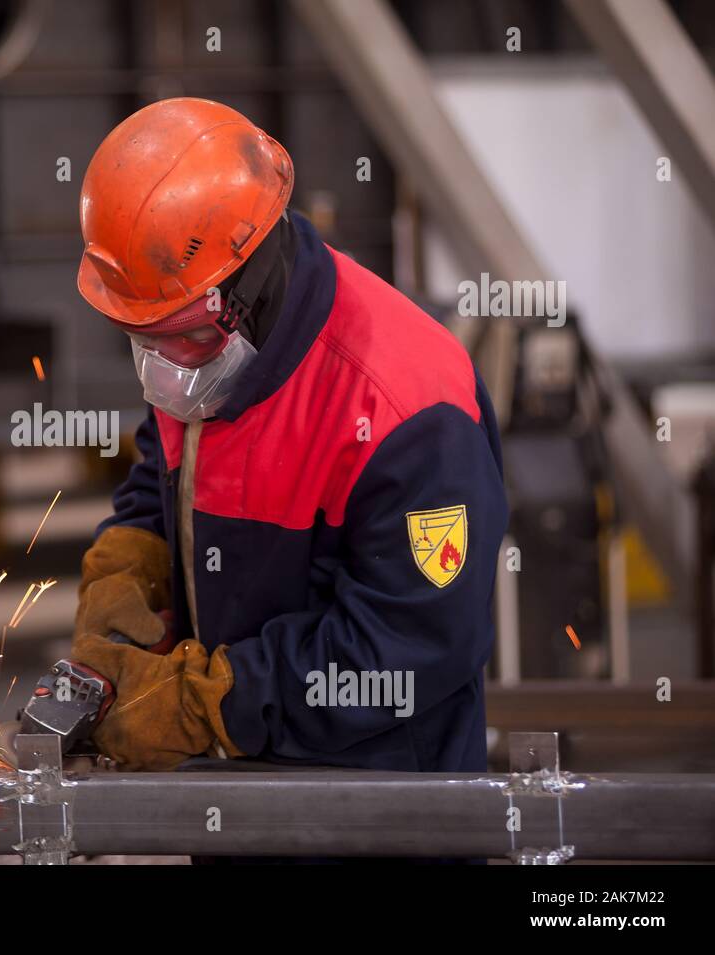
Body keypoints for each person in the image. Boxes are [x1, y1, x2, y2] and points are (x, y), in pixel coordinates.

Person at [70, 97, 507, 781]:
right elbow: (167, 479)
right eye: (143, 340)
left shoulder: (408, 407)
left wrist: (207, 705)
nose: (167, 369)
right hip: (234, 814)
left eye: (183, 337)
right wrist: (130, 557)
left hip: (384, 828)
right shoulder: (203, 359)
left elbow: (408, 643)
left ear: (250, 285)